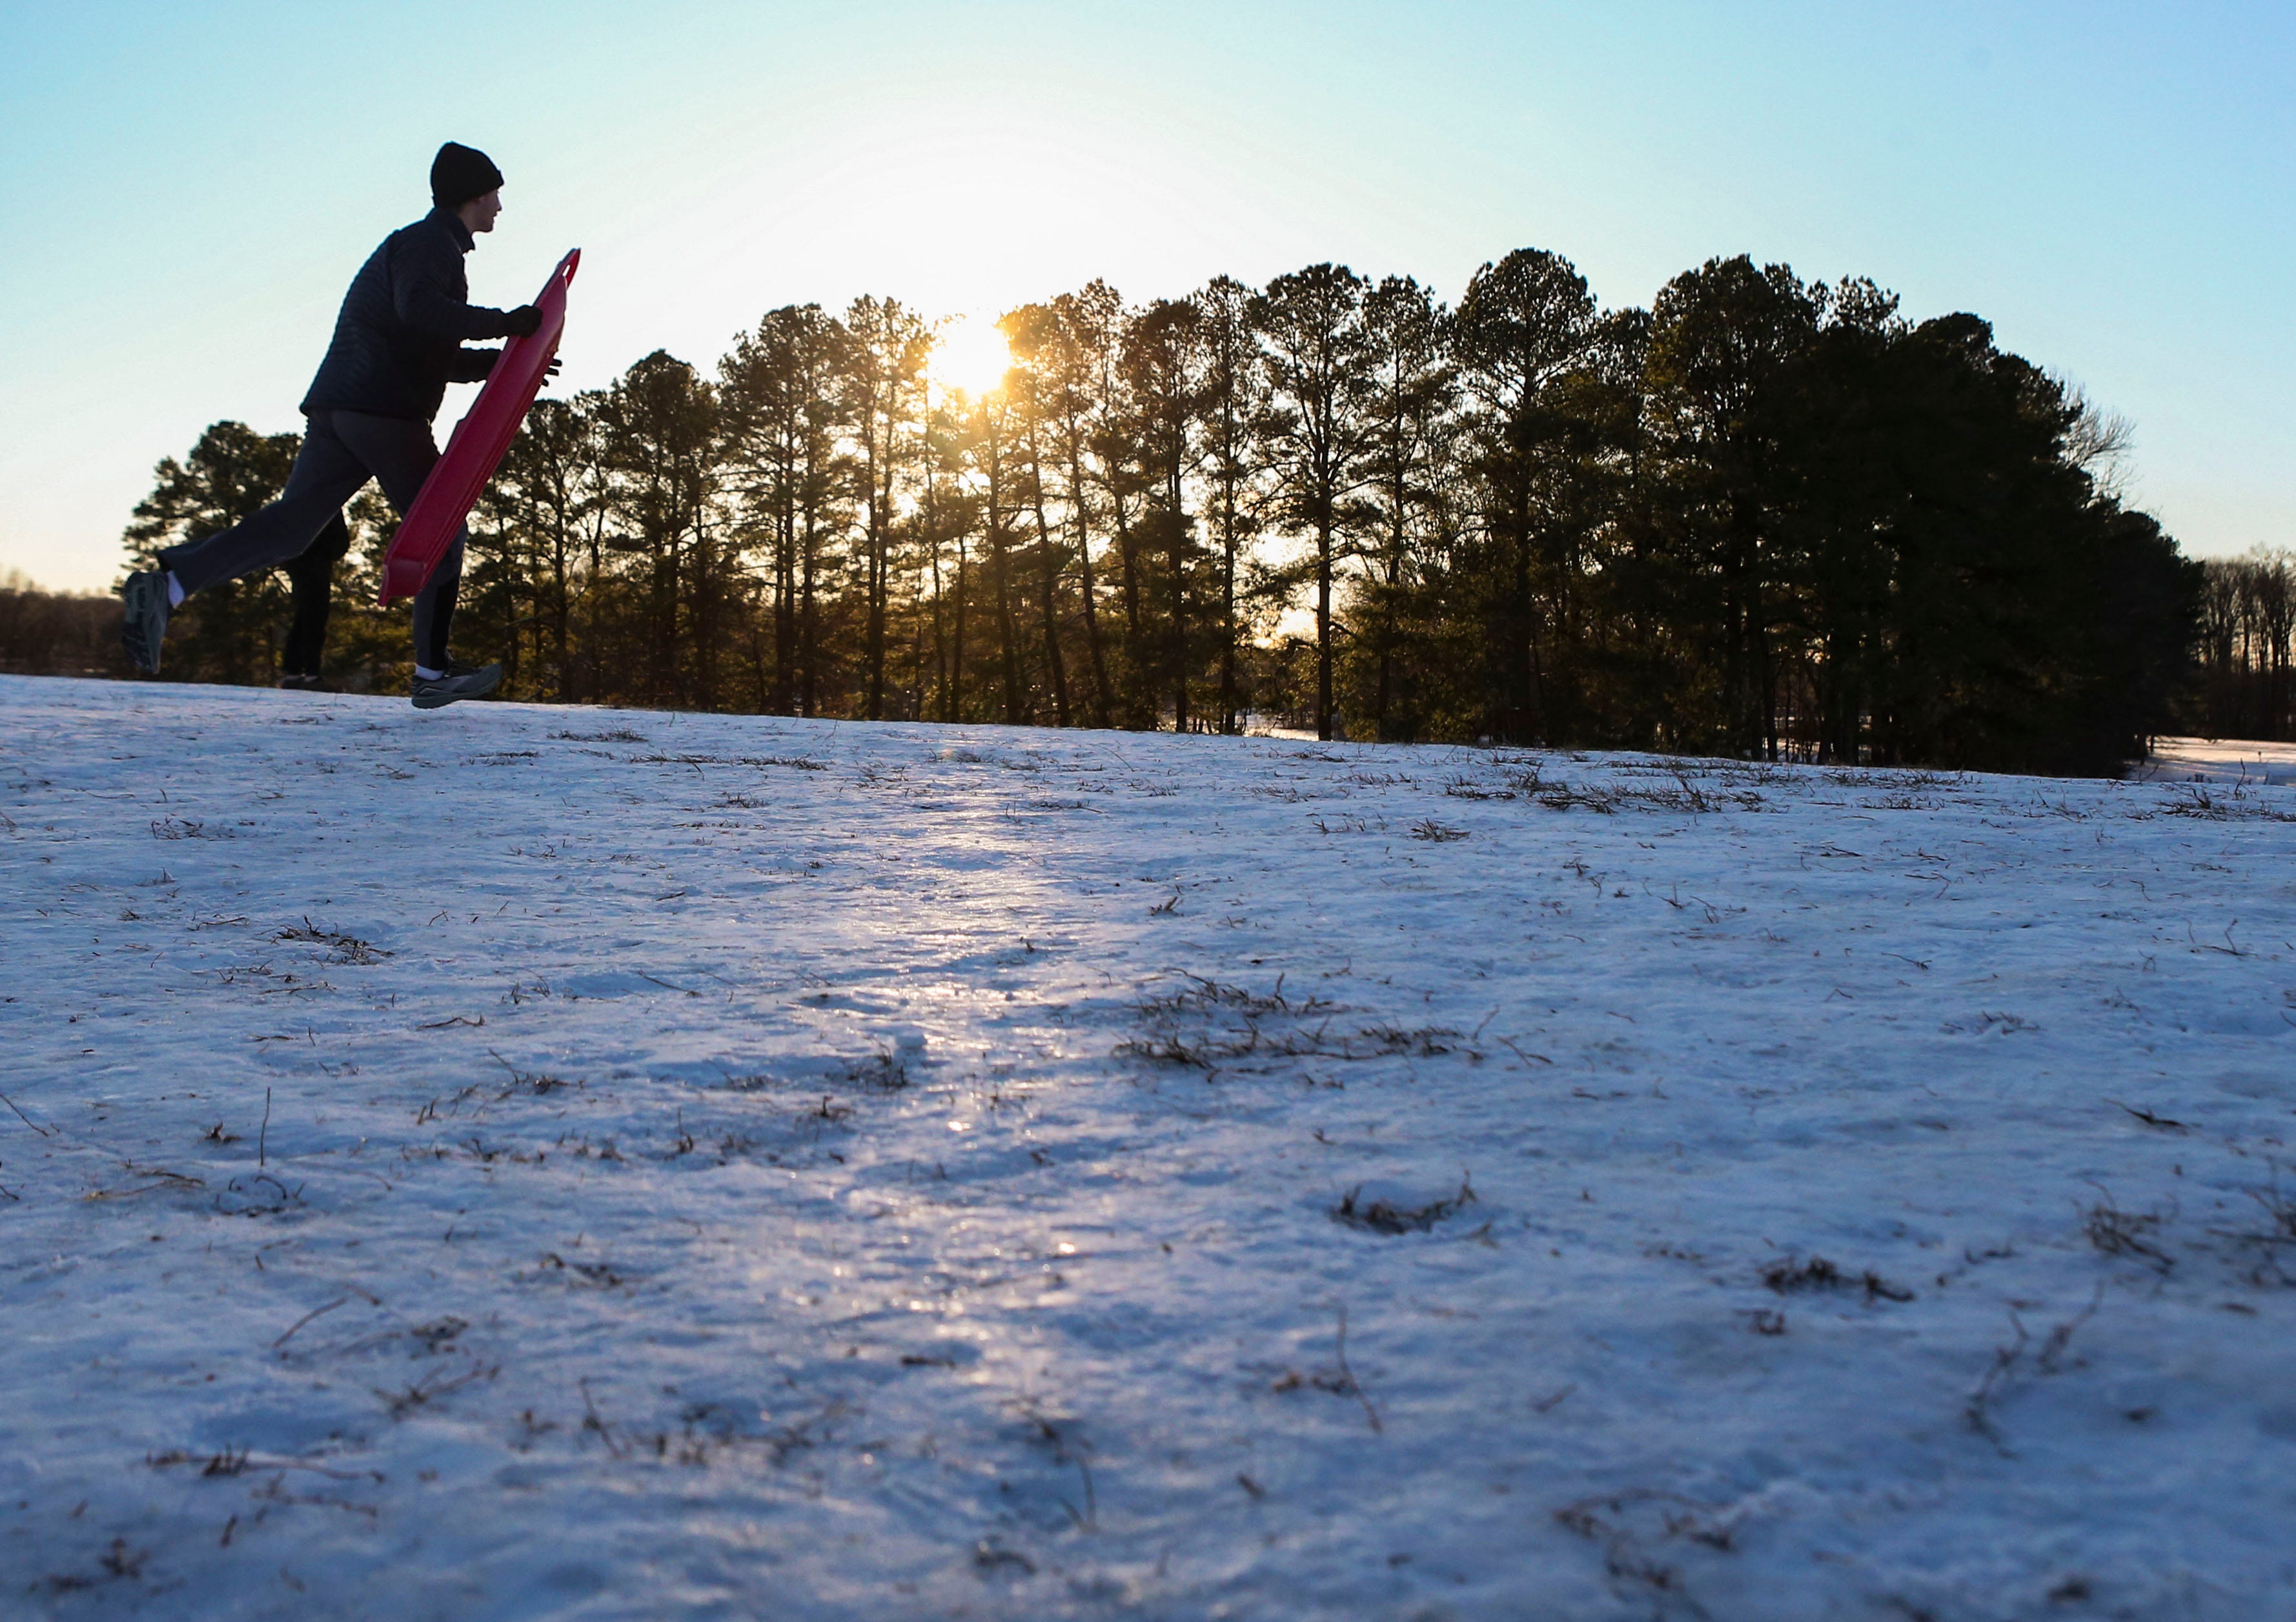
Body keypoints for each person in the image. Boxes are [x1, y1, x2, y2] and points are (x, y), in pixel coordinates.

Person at [121, 141, 547, 709]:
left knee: (294, 529)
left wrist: (502, 366)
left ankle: (168, 586)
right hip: (382, 411)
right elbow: (419, 312)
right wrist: (505, 326)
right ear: (474, 193)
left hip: (342, 406)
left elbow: (428, 345)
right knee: (442, 528)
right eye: (496, 193)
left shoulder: (424, 245)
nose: (500, 206)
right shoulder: (430, 244)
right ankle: (432, 670)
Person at [278, 510, 352, 690]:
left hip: (300, 563)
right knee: (314, 617)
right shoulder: (329, 503)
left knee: (304, 616)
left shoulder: (301, 499)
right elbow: (340, 542)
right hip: (315, 565)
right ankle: (310, 674)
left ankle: (294, 671)